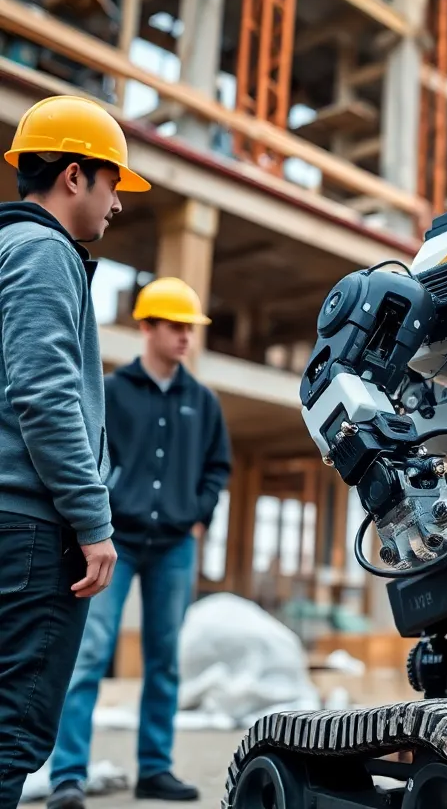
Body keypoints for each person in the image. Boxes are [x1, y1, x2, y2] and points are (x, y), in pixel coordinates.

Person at [0, 95, 151, 809]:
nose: (116, 202)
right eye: (112, 181)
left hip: (15, 521)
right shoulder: (42, 252)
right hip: (32, 530)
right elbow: (45, 395)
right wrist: (94, 521)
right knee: (13, 731)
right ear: (72, 176)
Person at [47, 277, 230, 808]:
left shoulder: (204, 402)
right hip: (114, 543)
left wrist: (198, 515)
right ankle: (68, 777)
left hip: (174, 547)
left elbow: (218, 468)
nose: (184, 338)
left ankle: (155, 770)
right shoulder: (111, 391)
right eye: (174, 327)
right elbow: (86, 452)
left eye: (189, 329)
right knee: (90, 654)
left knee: (165, 660)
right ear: (146, 327)